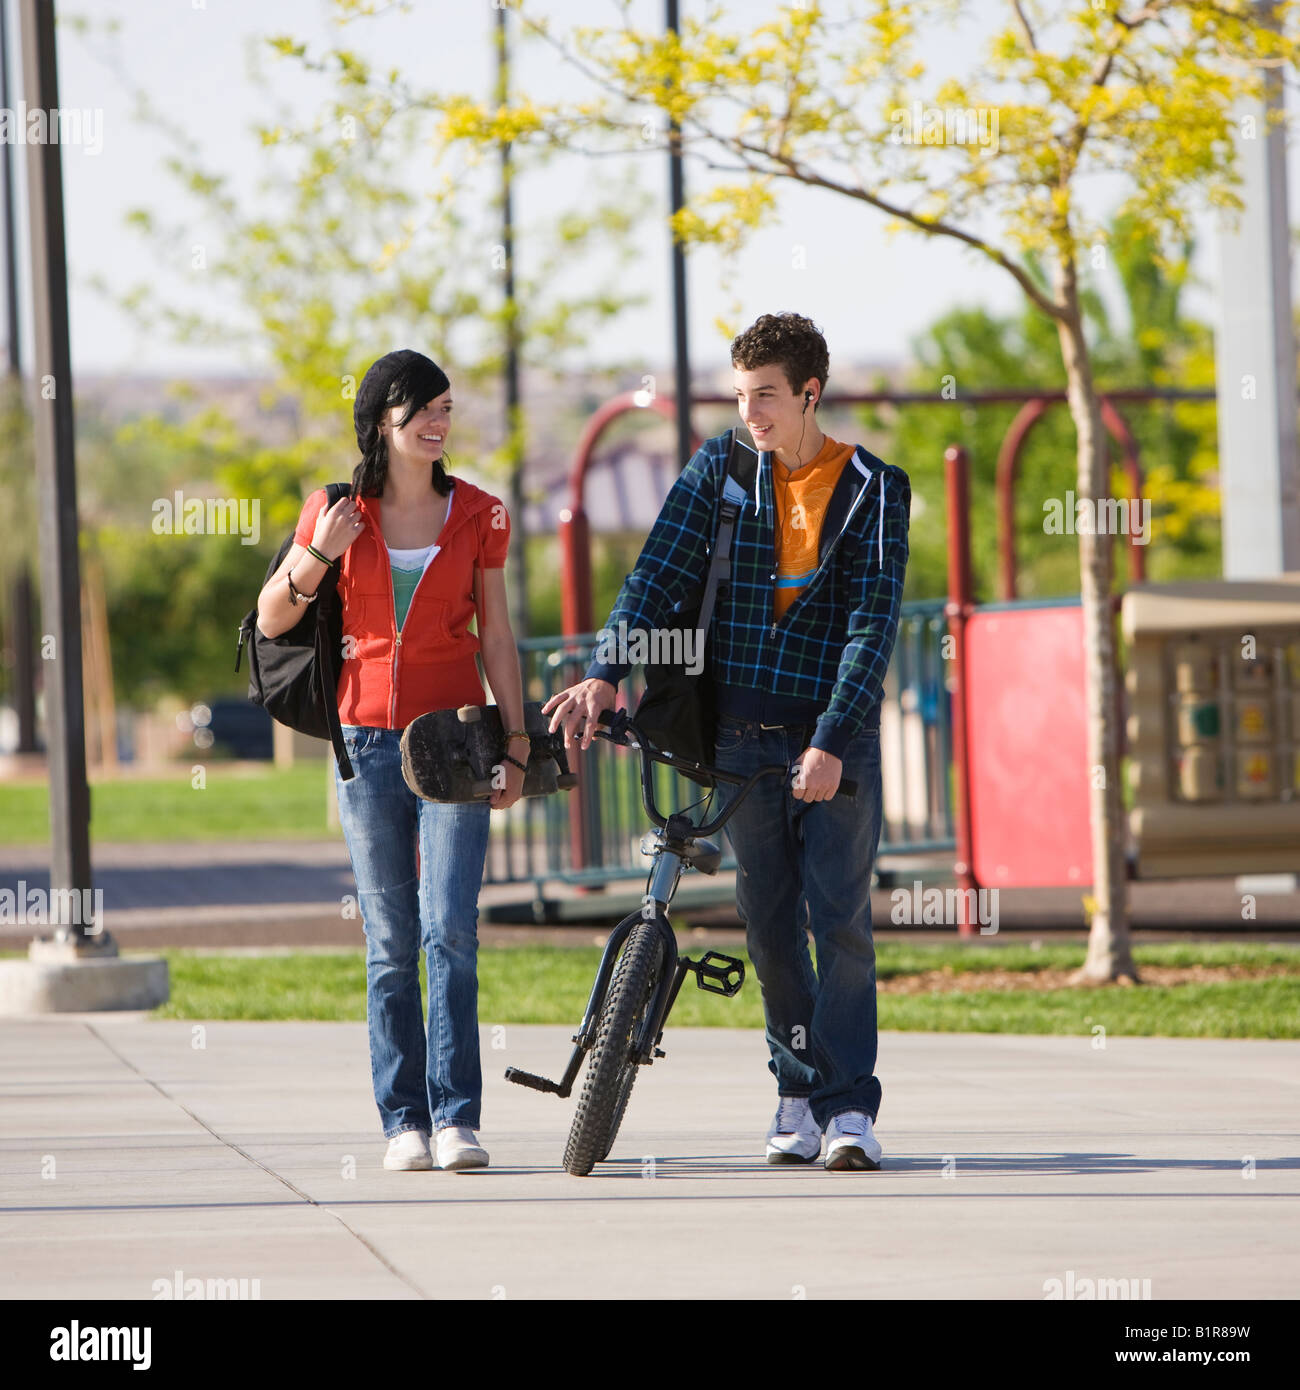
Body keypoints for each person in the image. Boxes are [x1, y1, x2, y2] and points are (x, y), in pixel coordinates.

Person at [544, 313, 910, 1171]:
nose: (751, 413)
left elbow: (872, 627)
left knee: (842, 925)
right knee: (770, 924)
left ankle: (849, 1108)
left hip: (833, 744)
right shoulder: (721, 466)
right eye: (741, 396)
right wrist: (607, 669)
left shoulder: (875, 489)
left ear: (810, 393)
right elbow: (656, 574)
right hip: (741, 738)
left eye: (768, 397)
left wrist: (829, 740)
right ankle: (795, 1091)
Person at [257, 349, 527, 1173]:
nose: (440, 425)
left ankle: (457, 1120)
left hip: (454, 744)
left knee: (451, 930)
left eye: (447, 410)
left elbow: (499, 638)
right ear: (383, 420)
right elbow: (271, 622)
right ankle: (402, 1120)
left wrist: (515, 745)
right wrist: (316, 556)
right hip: (366, 743)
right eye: (424, 413)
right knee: (389, 937)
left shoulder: (481, 513)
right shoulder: (334, 510)